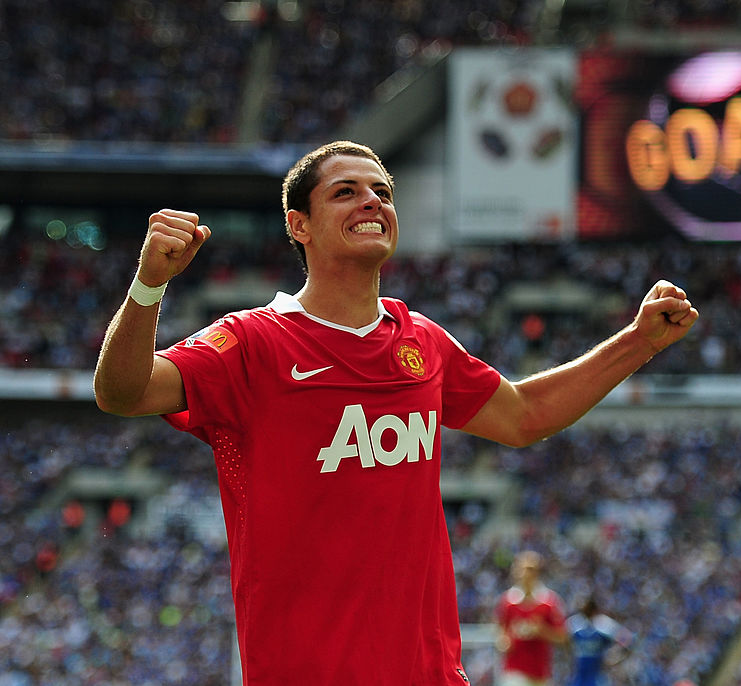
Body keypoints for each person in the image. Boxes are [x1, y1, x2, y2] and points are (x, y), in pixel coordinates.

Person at [92, 140, 699, 685]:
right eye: (346, 192)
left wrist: (638, 341)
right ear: (298, 225)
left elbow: (524, 416)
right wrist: (148, 286)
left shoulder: (421, 340)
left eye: (383, 192)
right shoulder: (252, 343)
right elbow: (124, 393)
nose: (372, 202)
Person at [494, 550, 568, 686]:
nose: (525, 574)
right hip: (514, 670)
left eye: (530, 569)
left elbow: (562, 637)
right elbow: (501, 634)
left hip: (540, 673)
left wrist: (541, 631)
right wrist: (506, 642)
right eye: (521, 569)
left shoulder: (550, 601)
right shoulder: (507, 601)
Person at [566, 595, 634, 686]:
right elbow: (562, 639)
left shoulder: (603, 624)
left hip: (597, 675)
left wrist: (614, 658)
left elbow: (627, 638)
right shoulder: (575, 622)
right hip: (579, 675)